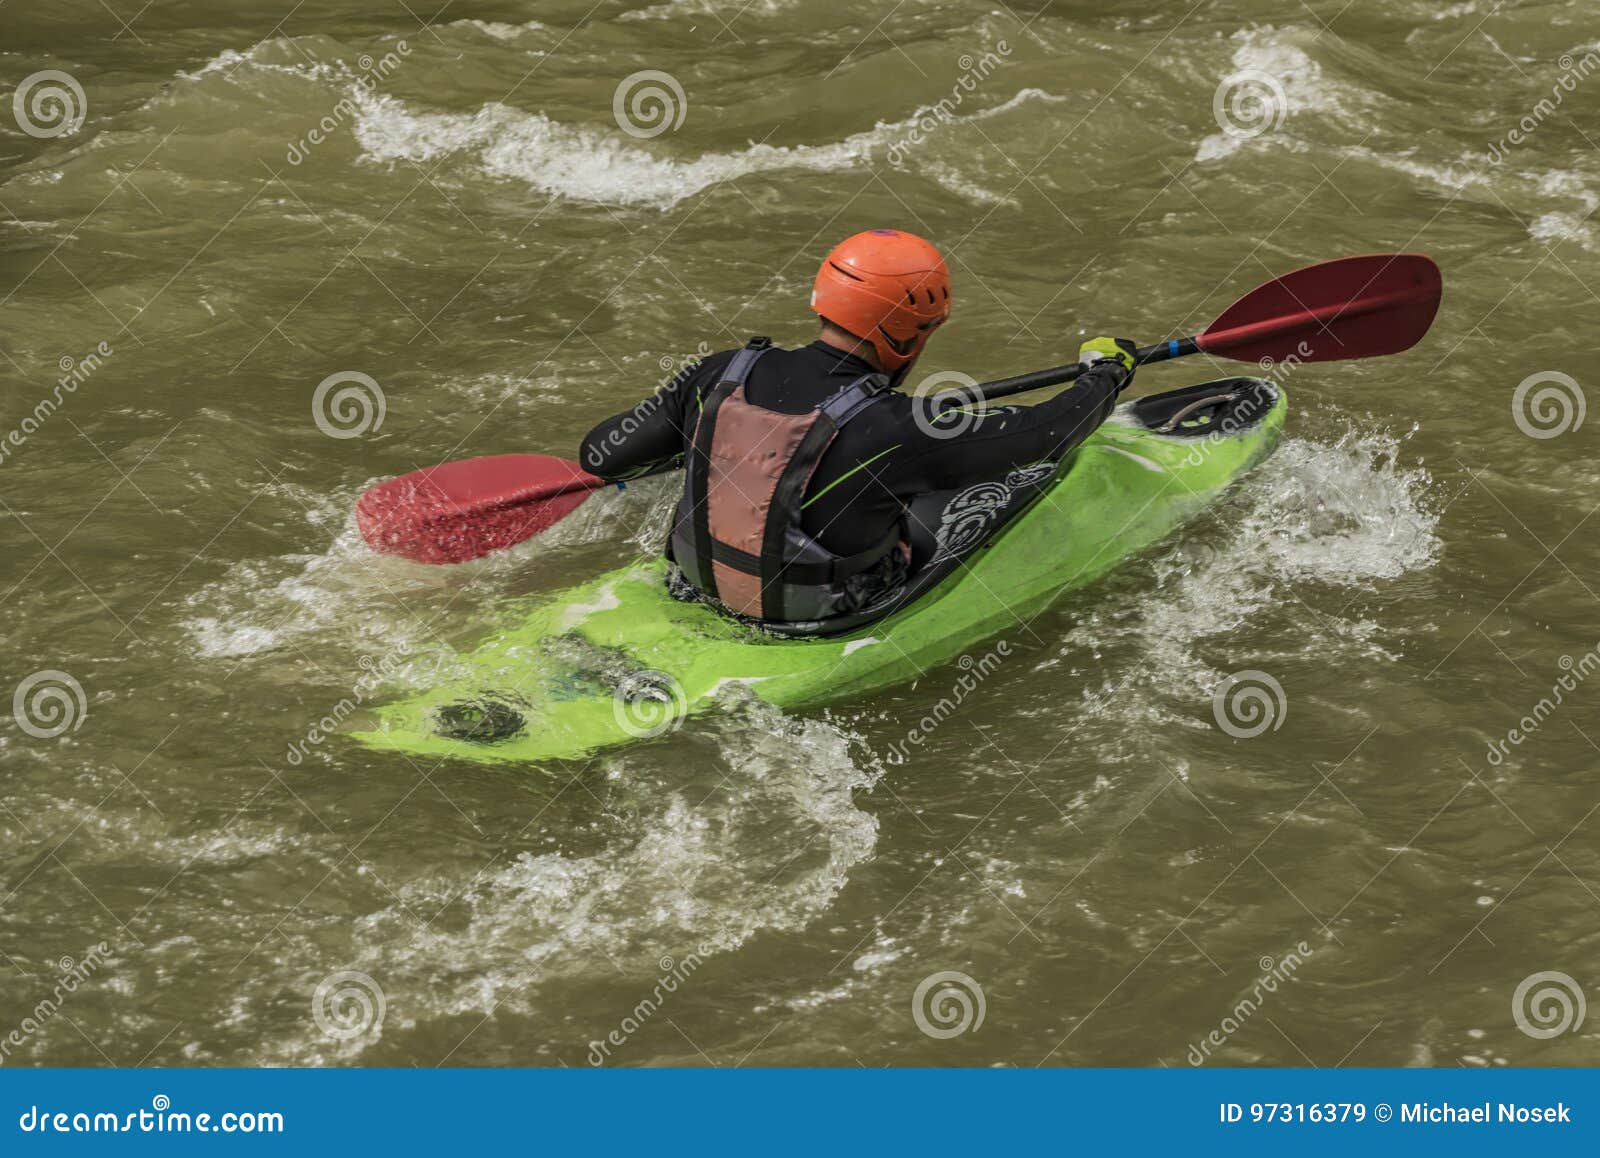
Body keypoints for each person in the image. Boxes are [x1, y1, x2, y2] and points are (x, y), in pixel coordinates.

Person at [579, 228, 1137, 624]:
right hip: (812, 620)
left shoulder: (719, 372)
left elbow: (601, 455)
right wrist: (1106, 375)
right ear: (907, 337)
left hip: (694, 588)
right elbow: (1051, 432)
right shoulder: (901, 427)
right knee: (982, 482)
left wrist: (699, 435)